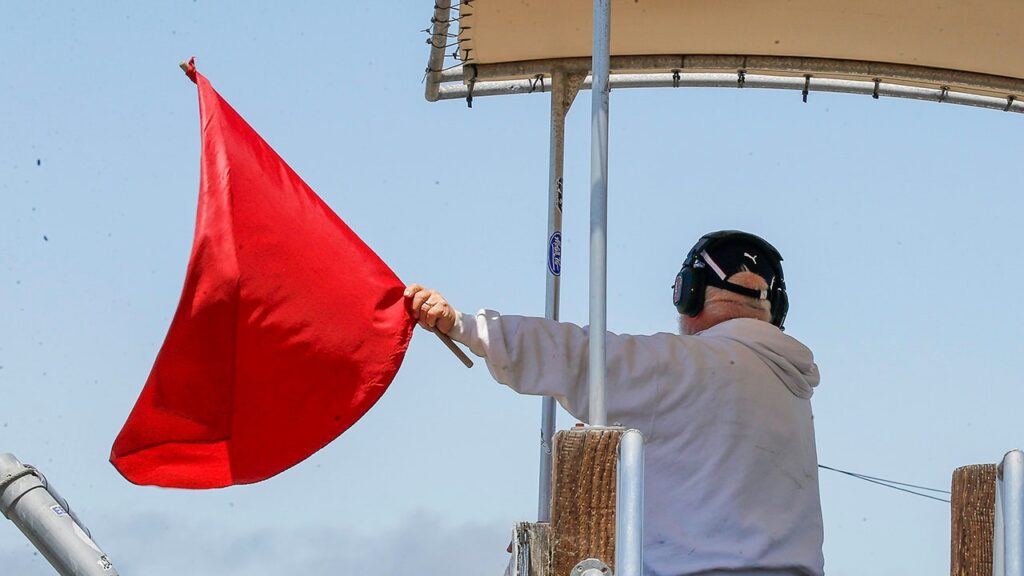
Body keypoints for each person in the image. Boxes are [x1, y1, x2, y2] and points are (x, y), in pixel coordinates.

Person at [405, 230, 824, 576]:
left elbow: (578, 357)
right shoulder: (791, 385)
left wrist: (465, 326)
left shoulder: (691, 365)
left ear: (689, 293)